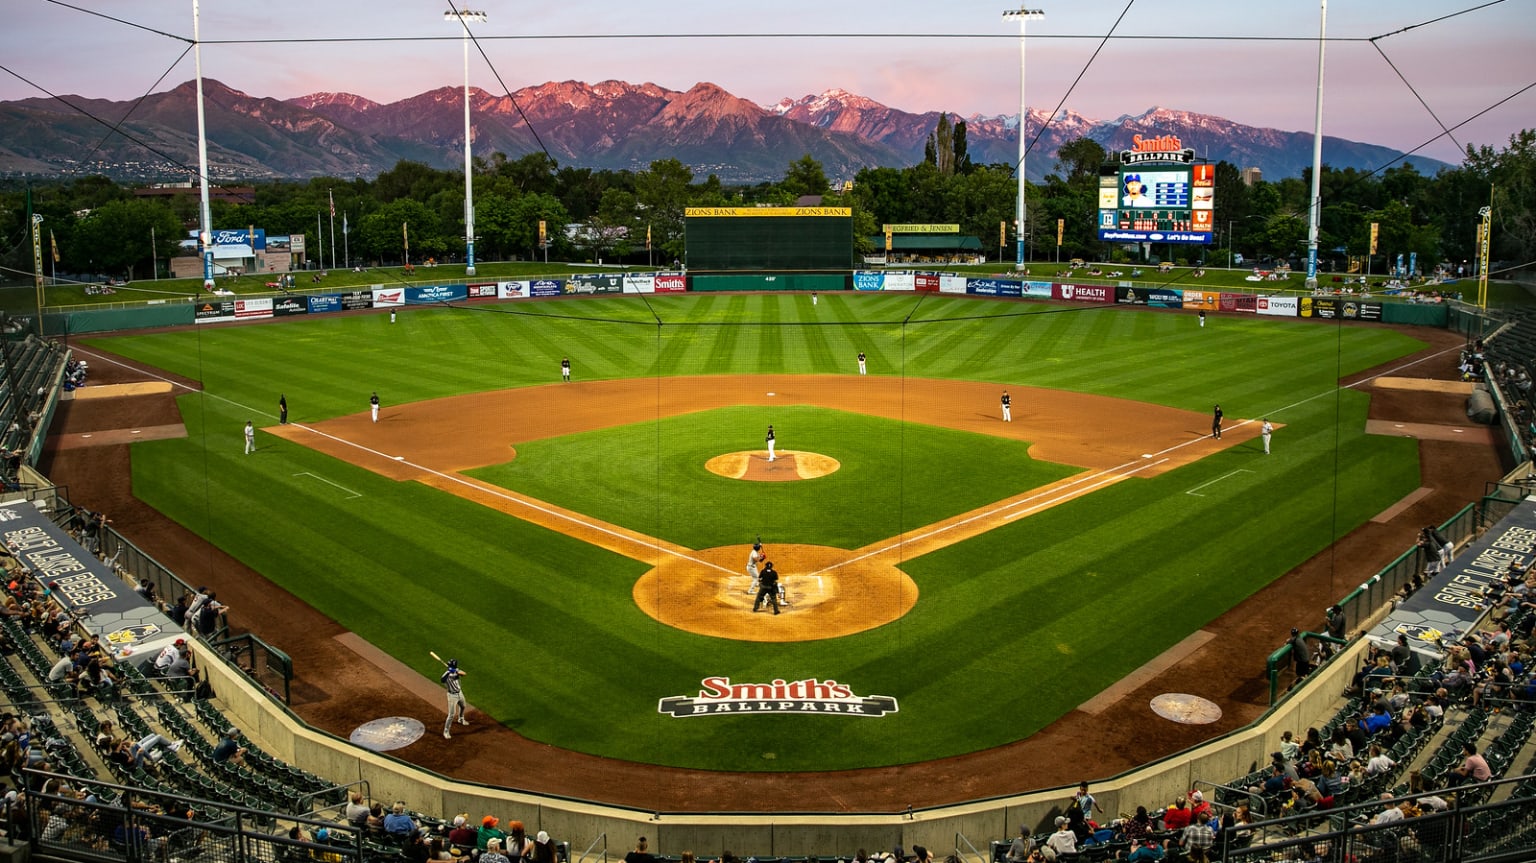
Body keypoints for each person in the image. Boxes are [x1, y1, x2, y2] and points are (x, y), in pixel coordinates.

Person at [442, 659, 469, 739]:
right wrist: (449, 672)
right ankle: (446, 731)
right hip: (452, 696)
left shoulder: (456, 670)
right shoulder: (446, 674)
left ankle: (461, 718)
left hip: (459, 693)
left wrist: (455, 671)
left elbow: (464, 674)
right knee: (451, 714)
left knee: (463, 706)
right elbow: (442, 680)